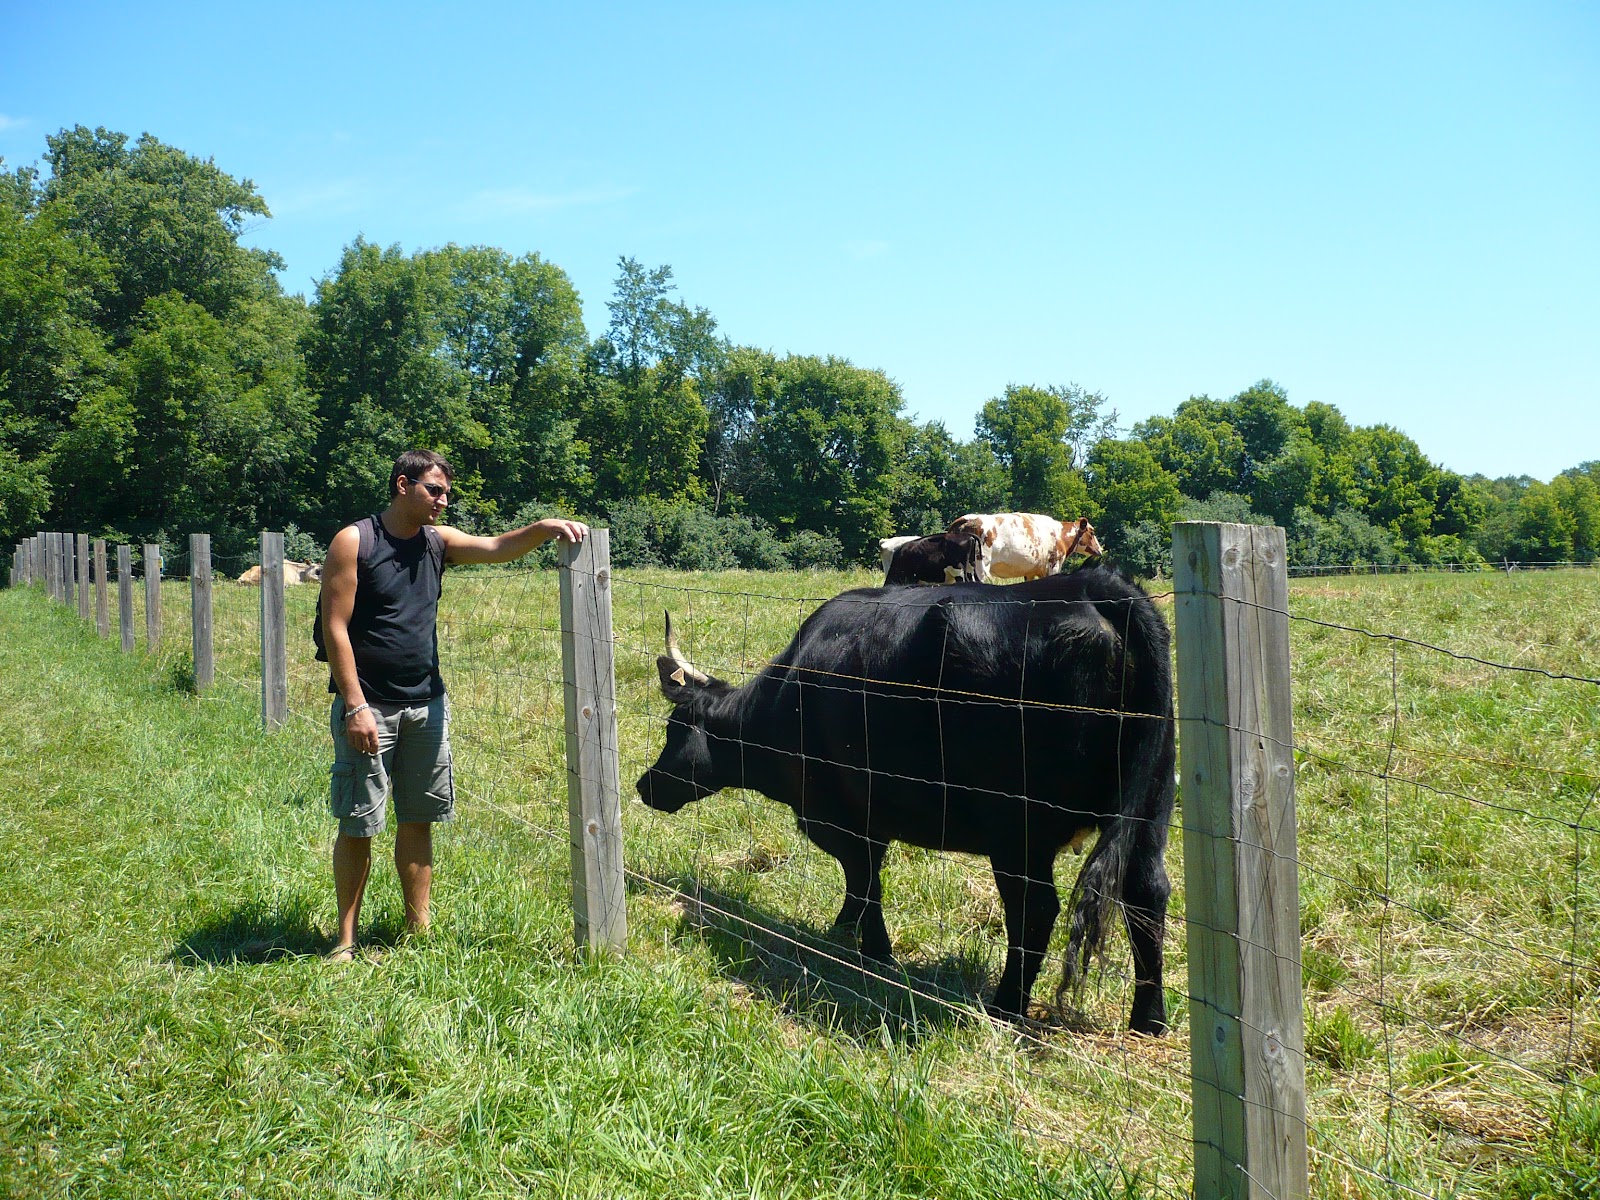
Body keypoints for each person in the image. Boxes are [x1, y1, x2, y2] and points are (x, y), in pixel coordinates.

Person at [319, 449, 587, 961]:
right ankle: (345, 941)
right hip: (370, 705)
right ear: (403, 485)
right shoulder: (355, 541)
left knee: (417, 819)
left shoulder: (437, 543)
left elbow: (496, 546)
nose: (443, 501)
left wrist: (545, 527)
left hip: (427, 704)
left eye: (446, 492)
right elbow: (336, 627)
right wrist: (355, 706)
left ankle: (416, 933)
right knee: (359, 821)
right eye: (434, 490)